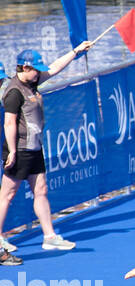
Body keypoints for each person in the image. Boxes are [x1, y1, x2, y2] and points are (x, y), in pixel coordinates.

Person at [0, 42, 94, 257]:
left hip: (35, 148)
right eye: (35, 70)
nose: (39, 73)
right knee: (7, 194)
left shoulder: (33, 82)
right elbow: (9, 123)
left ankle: (50, 237)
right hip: (20, 149)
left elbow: (54, 68)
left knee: (41, 190)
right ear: (24, 68)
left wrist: (76, 51)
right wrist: (12, 152)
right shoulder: (14, 92)